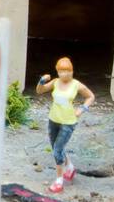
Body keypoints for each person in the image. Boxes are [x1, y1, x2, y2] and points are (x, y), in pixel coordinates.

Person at [35, 57, 95, 193]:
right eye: (61, 71)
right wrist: (41, 81)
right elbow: (40, 91)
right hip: (53, 119)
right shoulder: (55, 82)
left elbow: (90, 96)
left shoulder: (76, 84)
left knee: (57, 150)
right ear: (57, 71)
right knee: (56, 147)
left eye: (67, 71)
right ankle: (70, 167)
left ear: (72, 71)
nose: (64, 74)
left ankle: (59, 181)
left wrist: (82, 109)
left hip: (68, 122)